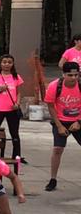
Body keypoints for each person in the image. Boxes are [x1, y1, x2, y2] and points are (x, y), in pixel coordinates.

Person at [45, 62, 81, 192]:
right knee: (58, 149)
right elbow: (50, 106)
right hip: (60, 120)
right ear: (63, 74)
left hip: (77, 120)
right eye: (70, 75)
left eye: (76, 75)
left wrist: (79, 122)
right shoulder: (55, 86)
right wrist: (59, 126)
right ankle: (53, 179)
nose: (73, 78)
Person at [0, 55, 25, 162]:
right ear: (0, 64)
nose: (7, 64)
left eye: (9, 62)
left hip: (12, 109)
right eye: (4, 62)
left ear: (12, 64)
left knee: (14, 133)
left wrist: (18, 103)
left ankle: (17, 156)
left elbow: (19, 92)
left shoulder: (16, 77)